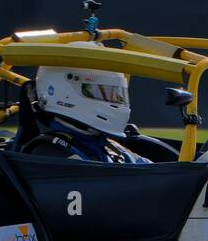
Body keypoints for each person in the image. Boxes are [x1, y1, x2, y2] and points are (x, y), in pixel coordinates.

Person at [21, 50, 151, 164]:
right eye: (99, 91)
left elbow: (149, 169)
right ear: (64, 92)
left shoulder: (107, 145)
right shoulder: (50, 151)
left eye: (115, 94)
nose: (114, 101)